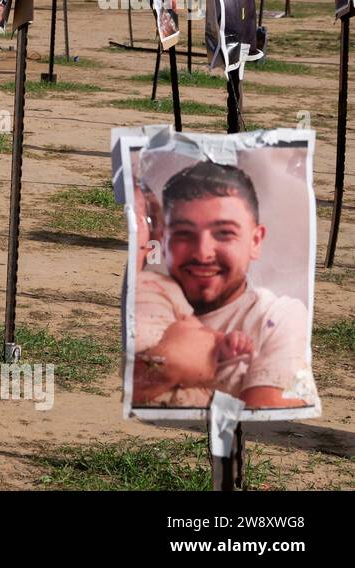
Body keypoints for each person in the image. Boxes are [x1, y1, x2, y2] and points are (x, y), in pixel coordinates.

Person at [131, 161, 316, 409]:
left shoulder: (278, 318)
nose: (203, 253)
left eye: (224, 233)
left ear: (255, 241)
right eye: (184, 233)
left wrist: (177, 357)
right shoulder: (148, 294)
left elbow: (266, 415)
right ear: (164, 240)